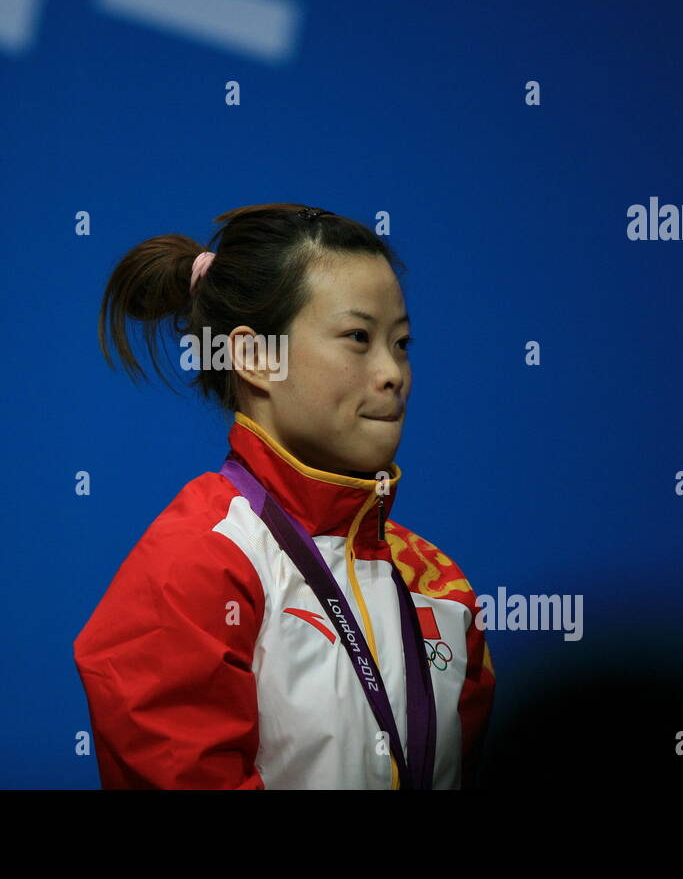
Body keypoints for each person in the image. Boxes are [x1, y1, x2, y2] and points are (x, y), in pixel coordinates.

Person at [74, 203, 495, 789]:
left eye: (401, 343)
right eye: (358, 337)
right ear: (253, 357)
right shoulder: (199, 561)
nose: (393, 372)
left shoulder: (438, 584)